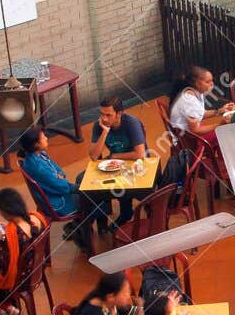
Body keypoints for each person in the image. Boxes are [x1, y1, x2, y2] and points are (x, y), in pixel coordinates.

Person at [82, 96, 150, 231]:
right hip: (116, 164)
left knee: (123, 184)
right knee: (90, 185)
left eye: (108, 115)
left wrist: (115, 155)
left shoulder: (131, 123)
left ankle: (126, 213)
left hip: (137, 163)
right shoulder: (99, 125)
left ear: (119, 113)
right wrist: (104, 133)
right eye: (102, 114)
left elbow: (140, 154)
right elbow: (94, 156)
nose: (104, 118)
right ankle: (99, 219)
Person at [16, 127, 78, 221]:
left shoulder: (40, 154)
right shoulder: (37, 167)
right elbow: (63, 187)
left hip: (56, 194)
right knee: (94, 195)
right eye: (43, 137)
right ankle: (87, 226)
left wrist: (60, 177)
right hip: (60, 203)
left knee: (83, 185)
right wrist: (60, 178)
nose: (46, 138)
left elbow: (61, 173)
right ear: (36, 144)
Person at [167, 66, 235, 136]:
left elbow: (200, 113)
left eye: (212, 80)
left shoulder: (196, 92)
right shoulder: (190, 101)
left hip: (189, 133)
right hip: (188, 138)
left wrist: (220, 111)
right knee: (229, 133)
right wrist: (220, 124)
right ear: (197, 84)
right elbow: (195, 130)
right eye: (208, 82)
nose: (212, 84)